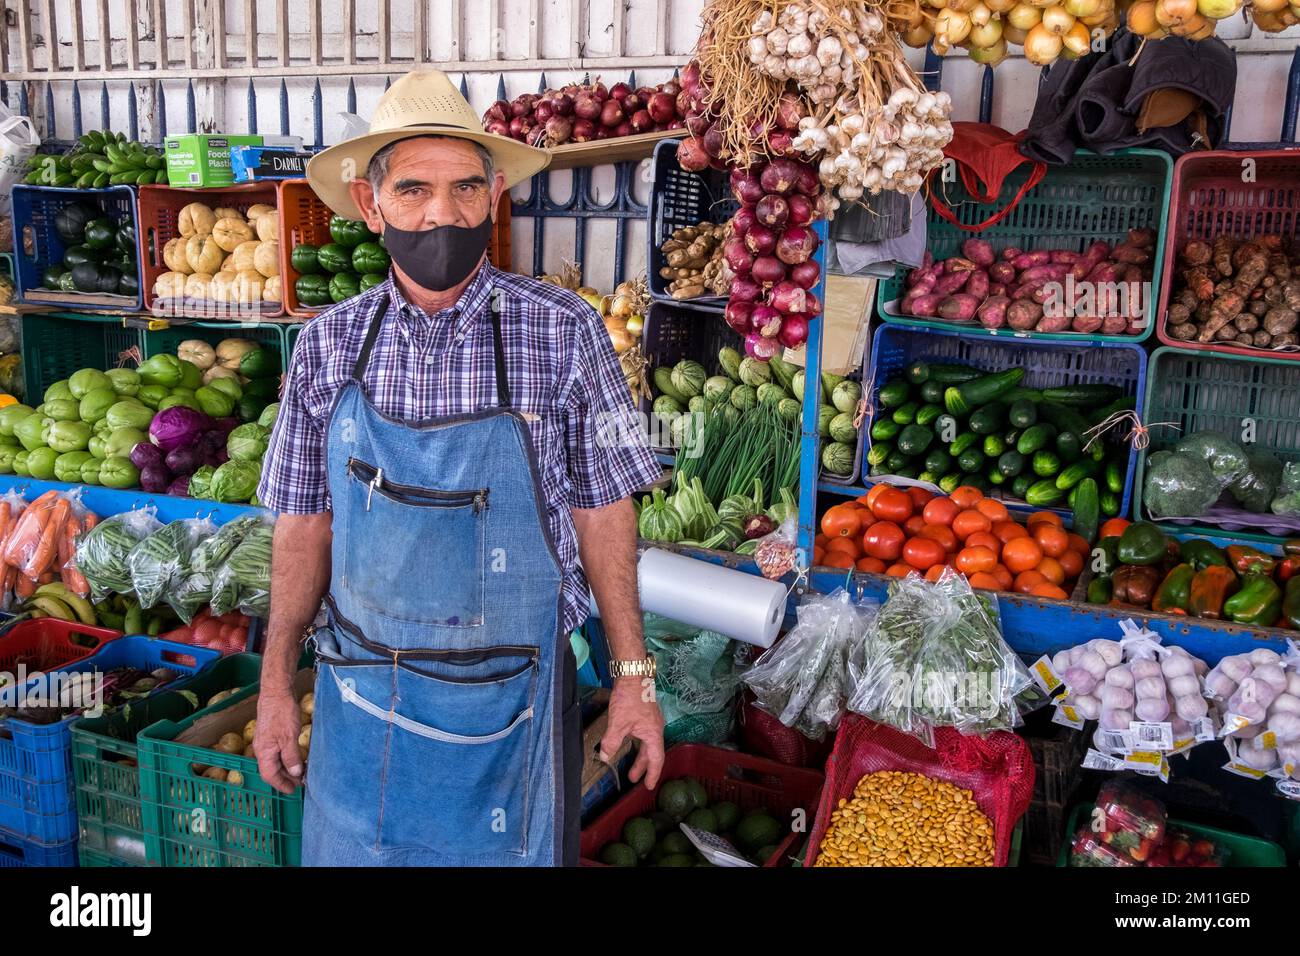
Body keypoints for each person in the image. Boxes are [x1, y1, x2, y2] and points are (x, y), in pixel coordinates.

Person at [253, 69, 665, 866]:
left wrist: (634, 675)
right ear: (371, 208)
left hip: (515, 703)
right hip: (361, 698)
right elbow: (303, 526)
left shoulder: (566, 331)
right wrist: (275, 683)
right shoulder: (326, 347)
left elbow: (606, 511)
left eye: (466, 188)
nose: (443, 214)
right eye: (413, 190)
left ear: (494, 197)